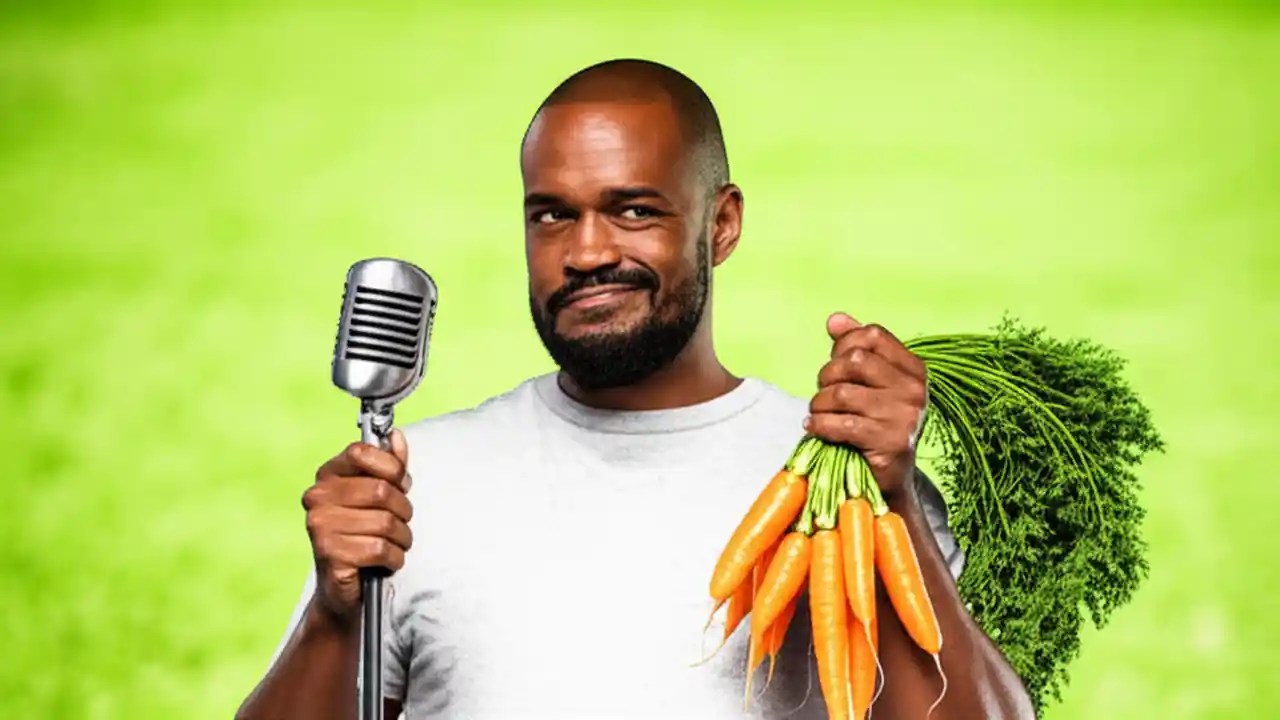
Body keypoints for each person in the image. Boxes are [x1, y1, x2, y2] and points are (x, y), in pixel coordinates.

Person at [237, 59, 1035, 720]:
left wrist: (894, 499)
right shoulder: (413, 485)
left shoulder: (854, 481)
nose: (585, 252)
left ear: (720, 226)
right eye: (550, 215)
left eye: (632, 210)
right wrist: (337, 614)